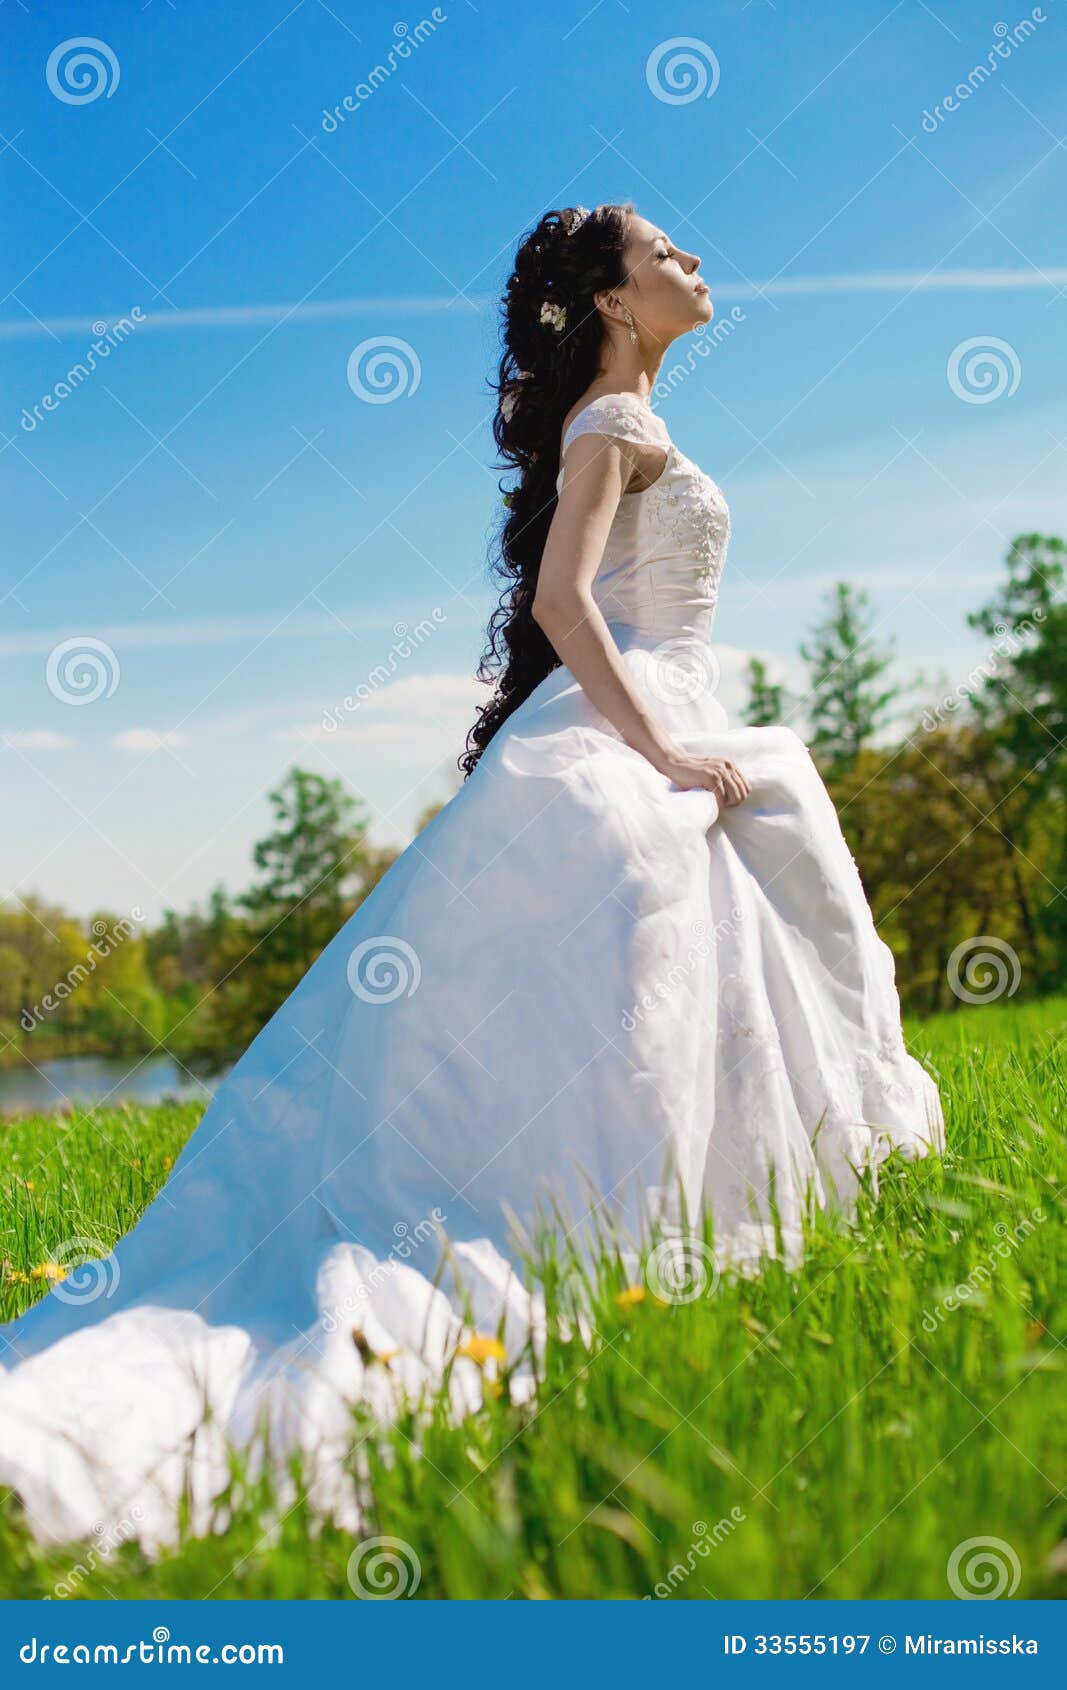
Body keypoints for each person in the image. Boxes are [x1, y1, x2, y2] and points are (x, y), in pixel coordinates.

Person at [0, 203, 943, 1552]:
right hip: (636, 717)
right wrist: (665, 747)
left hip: (649, 709)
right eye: (664, 253)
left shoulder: (626, 422)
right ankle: (617, 1225)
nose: (694, 262)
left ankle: (658, 1211)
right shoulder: (613, 424)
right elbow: (566, 602)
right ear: (613, 304)